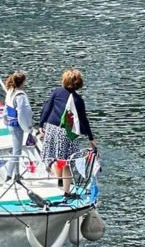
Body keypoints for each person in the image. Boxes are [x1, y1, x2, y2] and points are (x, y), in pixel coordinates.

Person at [38, 69, 97, 197]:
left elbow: (47, 108)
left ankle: (59, 179)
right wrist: (91, 138)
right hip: (67, 132)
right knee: (67, 162)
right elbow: (83, 119)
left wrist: (41, 124)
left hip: (52, 128)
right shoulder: (78, 100)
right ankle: (66, 191)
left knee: (56, 155)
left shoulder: (57, 92)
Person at [3, 71, 33, 181]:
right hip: (17, 126)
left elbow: (5, 109)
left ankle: (17, 174)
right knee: (17, 151)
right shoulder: (20, 95)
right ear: (23, 82)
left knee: (16, 149)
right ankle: (9, 175)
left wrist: (5, 121)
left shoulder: (10, 92)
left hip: (11, 124)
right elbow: (23, 112)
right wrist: (28, 127)